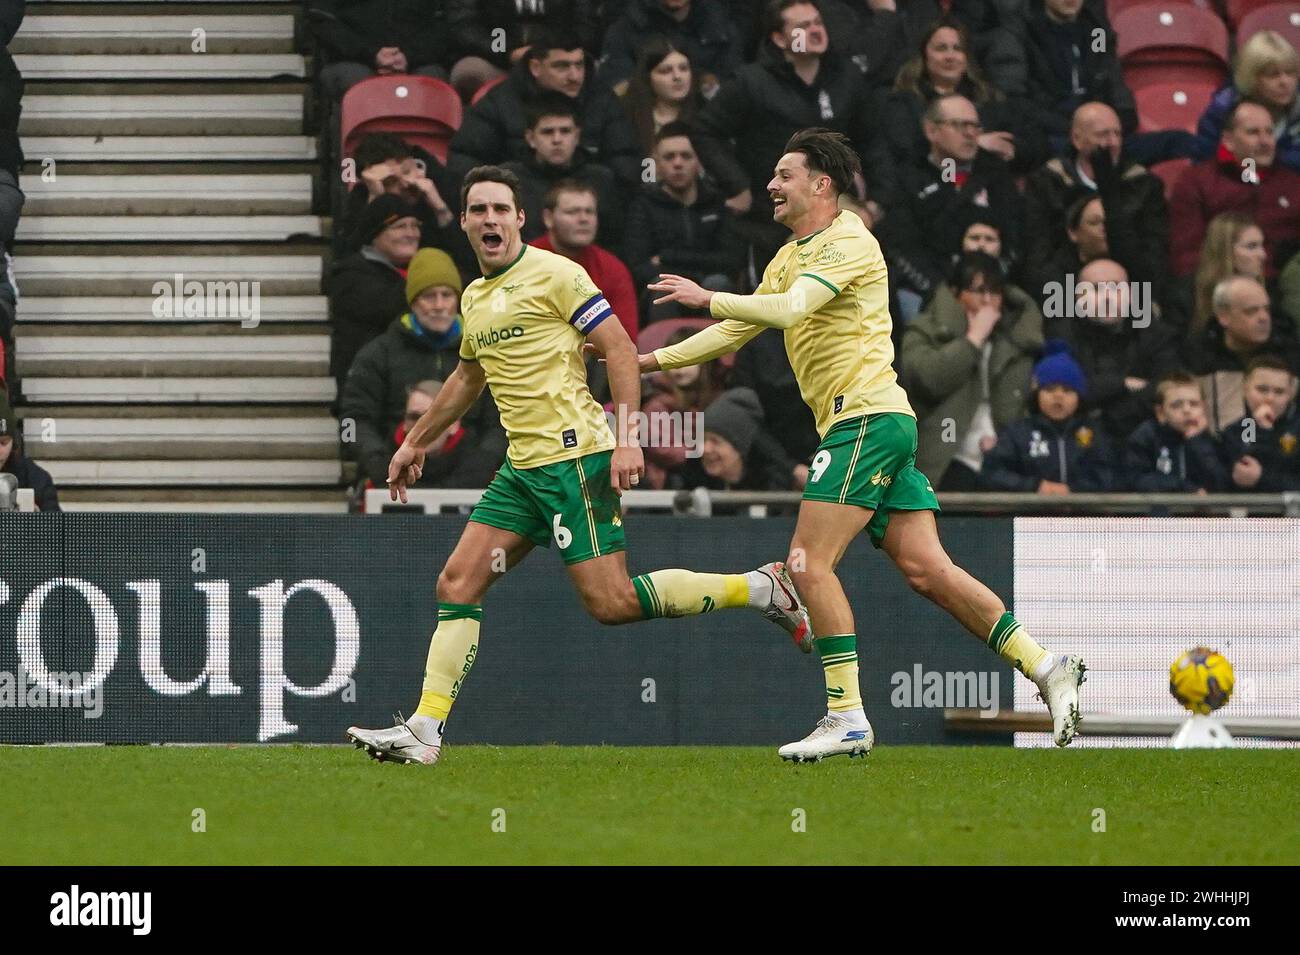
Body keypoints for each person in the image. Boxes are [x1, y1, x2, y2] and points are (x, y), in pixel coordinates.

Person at [630, 128, 1085, 758]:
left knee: (806, 564)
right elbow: (735, 330)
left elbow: (790, 311)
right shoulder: (788, 255)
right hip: (876, 425)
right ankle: (1046, 665)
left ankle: (846, 714)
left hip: (863, 421)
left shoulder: (848, 239)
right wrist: (645, 360)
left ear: (821, 184)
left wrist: (706, 295)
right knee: (930, 572)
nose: (770, 185)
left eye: (783, 174)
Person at [345, 166, 813, 766]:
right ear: (463, 221)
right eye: (478, 209)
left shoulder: (557, 274)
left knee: (611, 603)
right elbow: (468, 376)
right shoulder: (475, 296)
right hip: (523, 469)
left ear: (520, 219)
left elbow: (618, 346)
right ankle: (425, 731)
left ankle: (761, 587)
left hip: (575, 459)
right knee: (457, 583)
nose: (490, 219)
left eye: (500, 209)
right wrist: (416, 443)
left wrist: (627, 438)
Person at [340, 247, 504, 492]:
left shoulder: (485, 351)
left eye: (447, 295)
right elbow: (351, 423)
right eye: (429, 296)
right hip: (393, 481)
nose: (439, 305)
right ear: (413, 301)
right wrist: (380, 464)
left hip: (475, 485)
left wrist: (479, 470)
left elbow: (503, 422)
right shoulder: (377, 355)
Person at [900, 252, 1043, 490]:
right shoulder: (926, 330)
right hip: (947, 458)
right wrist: (973, 340)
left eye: (995, 292)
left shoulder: (1018, 338)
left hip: (1005, 460)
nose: (987, 300)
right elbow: (928, 380)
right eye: (979, 291)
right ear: (956, 293)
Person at [883, 93, 1023, 316]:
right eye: (959, 125)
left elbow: (1015, 235)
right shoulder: (908, 178)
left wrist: (989, 282)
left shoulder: (995, 173)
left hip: (992, 285)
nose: (970, 133)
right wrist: (940, 291)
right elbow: (902, 247)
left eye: (975, 126)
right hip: (929, 289)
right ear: (932, 131)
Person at [450, 34, 640, 185]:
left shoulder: (602, 99)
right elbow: (464, 158)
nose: (574, 76)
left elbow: (624, 161)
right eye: (562, 66)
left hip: (584, 207)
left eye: (579, 65)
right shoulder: (500, 101)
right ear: (535, 67)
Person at [1023, 102, 1169, 296]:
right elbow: (1038, 256)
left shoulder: (1144, 185)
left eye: (1118, 134)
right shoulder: (1047, 183)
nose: (1113, 142)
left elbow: (1153, 261)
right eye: (1103, 135)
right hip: (1062, 296)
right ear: (1077, 139)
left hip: (1131, 297)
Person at [882, 17, 1044, 174]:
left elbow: (1034, 143)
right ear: (924, 56)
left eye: (958, 49)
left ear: (967, 58)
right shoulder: (904, 102)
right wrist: (975, 144)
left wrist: (1012, 149)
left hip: (989, 189)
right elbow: (907, 152)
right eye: (941, 48)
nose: (950, 56)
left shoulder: (989, 98)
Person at [624, 123, 744, 322]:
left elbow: (731, 261)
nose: (677, 163)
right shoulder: (643, 205)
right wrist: (687, 279)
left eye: (686, 156)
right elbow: (638, 267)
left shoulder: (716, 203)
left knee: (719, 284)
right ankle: (662, 354)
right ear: (657, 162)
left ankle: (721, 353)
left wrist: (668, 257)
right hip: (664, 294)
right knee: (666, 289)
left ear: (699, 160)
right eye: (669, 157)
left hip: (708, 286)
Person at [1170, 99, 1300, 279]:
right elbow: (1187, 256)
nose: (1265, 141)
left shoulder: (1292, 184)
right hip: (1221, 286)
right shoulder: (1196, 182)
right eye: (1253, 132)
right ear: (1228, 140)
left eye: (1269, 132)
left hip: (1282, 285)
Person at [980, 342, 1116, 493]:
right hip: (1029, 515)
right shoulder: (1018, 433)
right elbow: (993, 474)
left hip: (1081, 515)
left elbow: (1108, 477)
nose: (1058, 396)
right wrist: (1035, 487)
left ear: (1079, 397)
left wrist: (1072, 491)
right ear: (1036, 394)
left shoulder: (1094, 433)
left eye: (1067, 390)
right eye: (1049, 389)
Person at [325, 195, 422, 394]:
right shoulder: (350, 276)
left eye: (414, 226)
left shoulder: (419, 269)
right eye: (400, 226)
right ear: (375, 234)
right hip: (368, 391)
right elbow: (389, 309)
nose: (411, 233)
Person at [501, 95, 623, 248]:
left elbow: (613, 239)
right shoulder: (508, 179)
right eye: (547, 132)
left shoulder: (601, 179)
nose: (557, 139)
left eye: (565, 131)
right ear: (531, 138)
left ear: (577, 136)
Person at [528, 180, 640, 344]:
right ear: (548, 218)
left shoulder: (612, 268)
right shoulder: (526, 262)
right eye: (572, 212)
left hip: (594, 361)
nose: (583, 219)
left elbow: (626, 338)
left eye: (590, 212)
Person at [1186, 275, 1296, 432]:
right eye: (1251, 311)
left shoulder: (1289, 354)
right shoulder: (1200, 357)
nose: (1264, 318)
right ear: (1224, 317)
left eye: (1266, 309)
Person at [1192, 31, 1300, 174]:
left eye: (1290, 73)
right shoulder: (1222, 112)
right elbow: (1204, 166)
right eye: (1273, 75)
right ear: (1252, 78)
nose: (1285, 82)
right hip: (1233, 189)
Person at [598, 0, 742, 98]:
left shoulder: (720, 28)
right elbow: (616, 86)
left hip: (705, 124)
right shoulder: (626, 29)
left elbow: (732, 87)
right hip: (641, 123)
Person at [1123, 372, 1227, 493]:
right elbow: (1137, 480)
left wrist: (1197, 442)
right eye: (1176, 405)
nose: (1187, 410)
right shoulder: (1145, 436)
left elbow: (1221, 483)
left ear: (1204, 408)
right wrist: (1183, 488)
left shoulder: (1212, 439)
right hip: (1160, 508)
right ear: (1161, 413)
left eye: (1194, 404)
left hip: (1202, 510)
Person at [1221, 355, 1300, 492]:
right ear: (1245, 389)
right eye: (1262, 389)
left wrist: (1263, 478)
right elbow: (1243, 470)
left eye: (1279, 392)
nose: (1270, 398)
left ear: (1291, 395)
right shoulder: (1238, 430)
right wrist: (1262, 430)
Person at [619, 38, 707, 157]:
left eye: (683, 68)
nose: (677, 76)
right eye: (665, 71)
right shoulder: (625, 118)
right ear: (647, 78)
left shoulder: (707, 116)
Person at [0, 394, 58, 511]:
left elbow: (59, 526)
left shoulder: (34, 478)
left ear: (14, 441)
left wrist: (39, 522)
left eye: (4, 442)